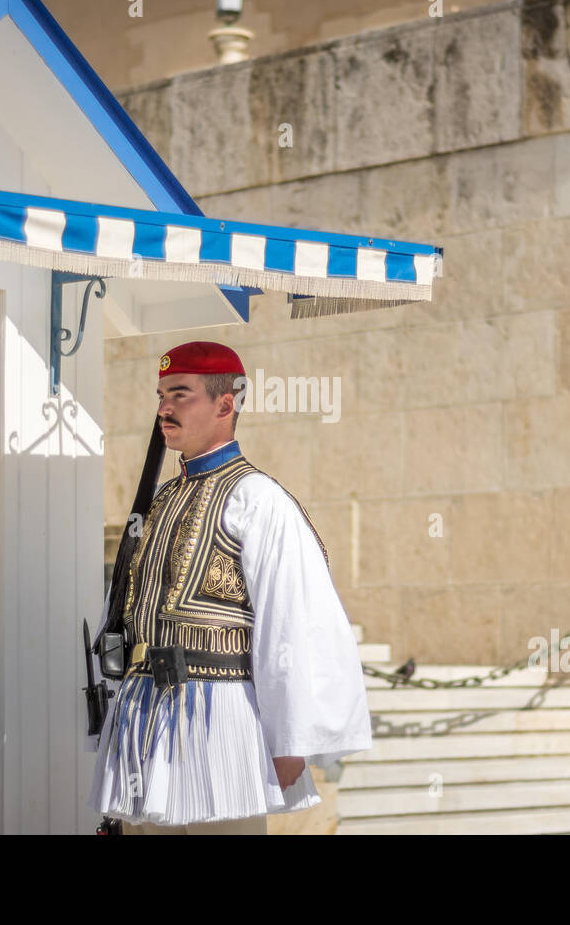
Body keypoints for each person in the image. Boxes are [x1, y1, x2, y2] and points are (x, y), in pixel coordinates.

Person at [87, 340, 371, 833]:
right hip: (144, 721)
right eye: (160, 395)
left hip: (220, 728)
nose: (164, 408)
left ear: (225, 403)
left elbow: (294, 623)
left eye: (180, 394)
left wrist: (291, 742)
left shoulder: (258, 499)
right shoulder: (163, 498)